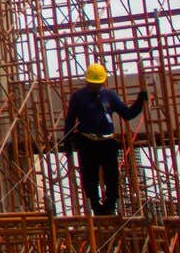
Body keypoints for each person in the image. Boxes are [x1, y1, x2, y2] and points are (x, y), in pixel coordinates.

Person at [60, 62, 146, 215]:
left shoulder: (109, 96)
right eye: (93, 84)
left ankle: (110, 206)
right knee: (89, 178)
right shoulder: (78, 97)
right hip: (87, 142)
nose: (96, 87)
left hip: (107, 142)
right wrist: (67, 144)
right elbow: (70, 120)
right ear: (87, 82)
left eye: (98, 84)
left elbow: (127, 114)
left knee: (112, 177)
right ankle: (95, 206)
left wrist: (140, 101)